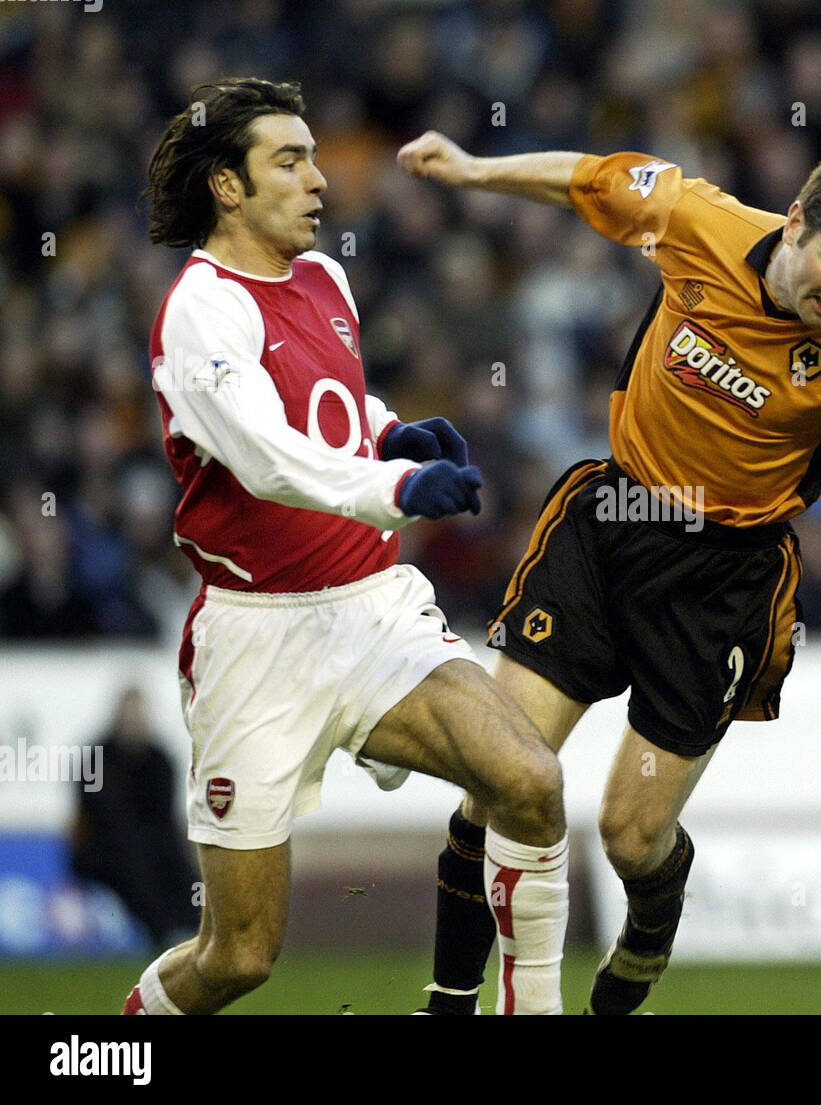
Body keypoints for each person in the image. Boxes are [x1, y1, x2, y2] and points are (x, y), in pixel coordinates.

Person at [397, 132, 821, 1014]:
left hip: (723, 577)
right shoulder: (698, 221)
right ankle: (449, 998)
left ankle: (649, 923)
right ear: (796, 222)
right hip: (609, 523)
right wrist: (471, 170)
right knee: (497, 774)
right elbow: (584, 180)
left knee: (629, 834)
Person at [124, 79, 568, 1016]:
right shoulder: (202, 308)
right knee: (239, 955)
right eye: (290, 160)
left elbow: (326, 411)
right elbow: (262, 455)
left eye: (315, 156)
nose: (320, 180)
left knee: (529, 780)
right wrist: (395, 486)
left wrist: (389, 429)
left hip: (370, 608)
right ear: (228, 188)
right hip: (256, 641)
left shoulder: (325, 279)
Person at [71, 686, 197, 949]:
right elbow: (97, 813)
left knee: (179, 866)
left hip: (152, 844)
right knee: (136, 864)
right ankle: (163, 932)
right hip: (103, 849)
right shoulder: (96, 758)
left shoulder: (159, 759)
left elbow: (164, 816)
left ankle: (193, 929)